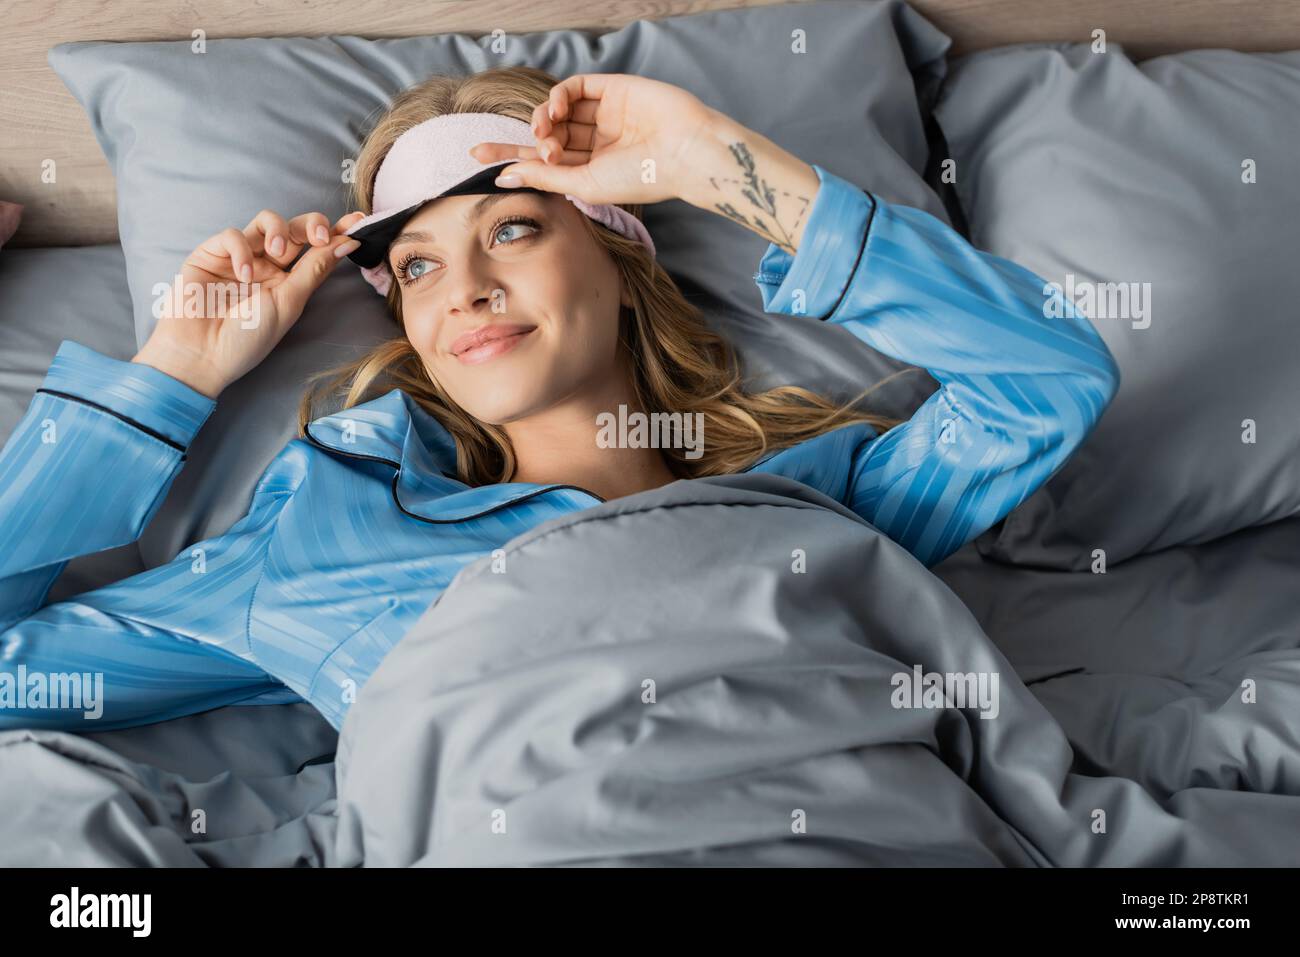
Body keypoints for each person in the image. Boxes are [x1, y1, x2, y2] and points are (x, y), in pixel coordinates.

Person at [0, 69, 1119, 732]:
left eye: (516, 227)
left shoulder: (821, 499)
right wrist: (174, 374)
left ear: (622, 263)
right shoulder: (321, 539)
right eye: (421, 266)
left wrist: (714, 162)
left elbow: (1046, 378)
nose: (469, 286)